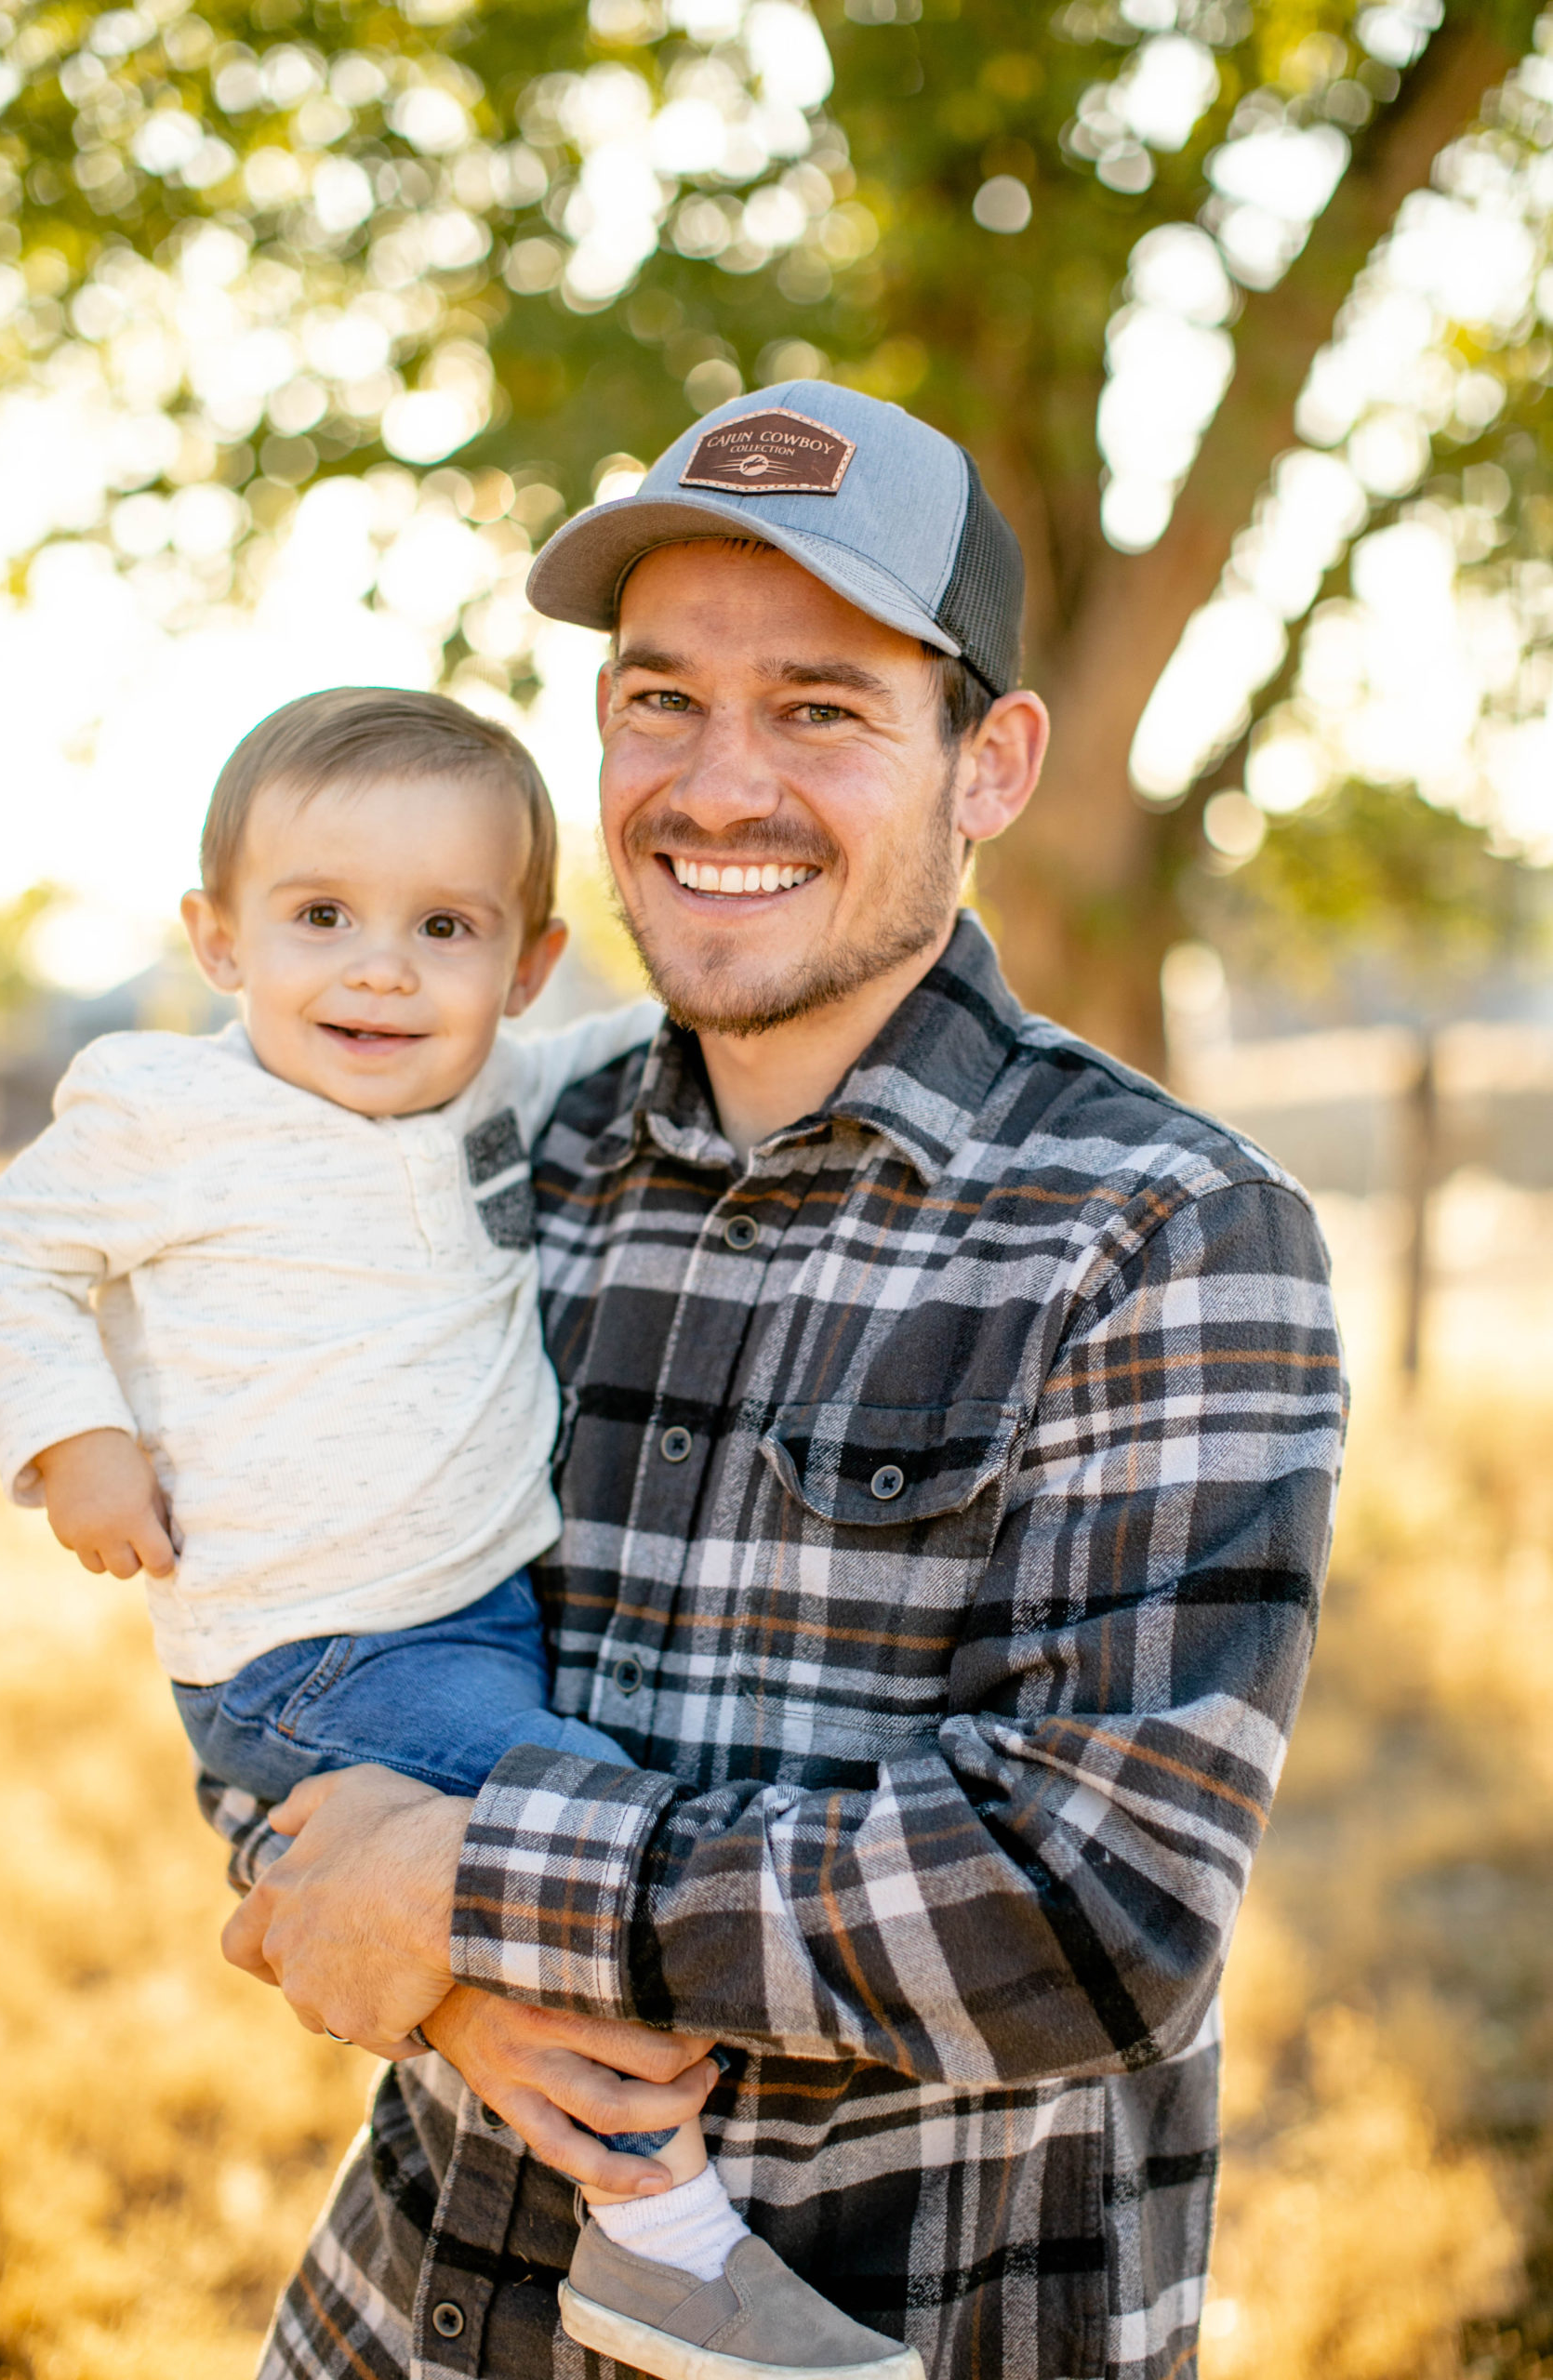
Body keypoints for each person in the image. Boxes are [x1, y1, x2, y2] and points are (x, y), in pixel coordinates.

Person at [218, 387, 1342, 2380]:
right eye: (660, 698)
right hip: (413, 2302)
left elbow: (1094, 1908)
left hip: (899, 2318)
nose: (714, 784)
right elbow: (286, 1599)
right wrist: (416, 1959)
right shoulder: (498, 1159)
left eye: (818, 707)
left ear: (987, 762)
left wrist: (469, 1880)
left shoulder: (1161, 1232)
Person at [0, 686, 915, 2380]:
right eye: (320, 916)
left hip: (469, 1616)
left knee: (561, 1892)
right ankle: (671, 2250)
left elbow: (678, 1039)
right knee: (596, 1856)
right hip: (319, 1642)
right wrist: (75, 1439)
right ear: (217, 936)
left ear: (527, 967)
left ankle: (628, 2217)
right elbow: (6, 1257)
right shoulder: (169, 1112)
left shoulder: (499, 1093)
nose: (382, 969)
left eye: (445, 928)